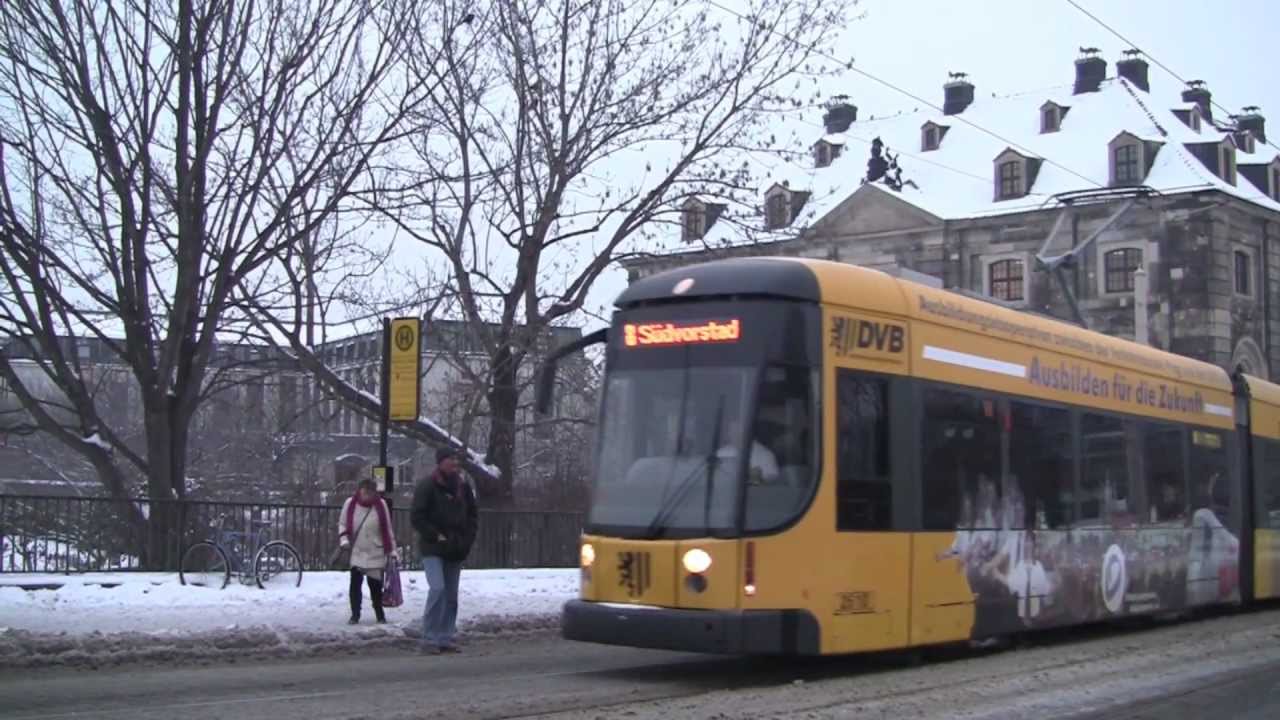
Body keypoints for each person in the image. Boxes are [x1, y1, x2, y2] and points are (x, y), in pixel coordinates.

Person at [411, 446, 478, 655]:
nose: (455, 464)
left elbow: (473, 516)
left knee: (451, 595)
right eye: (450, 460)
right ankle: (429, 637)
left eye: (456, 460)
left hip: (456, 547)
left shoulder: (463, 487)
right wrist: (434, 534)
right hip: (433, 547)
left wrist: (467, 539)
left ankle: (445, 637)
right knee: (438, 588)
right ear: (440, 462)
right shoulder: (428, 486)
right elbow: (417, 516)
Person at [338, 478, 396, 625]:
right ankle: (355, 615)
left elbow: (387, 528)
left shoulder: (381, 505)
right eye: (364, 491)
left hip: (375, 550)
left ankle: (379, 613)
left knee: (375, 586)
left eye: (370, 492)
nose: (366, 495)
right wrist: (344, 540)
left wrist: (392, 550)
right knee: (355, 584)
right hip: (356, 549)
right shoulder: (350, 503)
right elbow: (342, 524)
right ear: (360, 490)